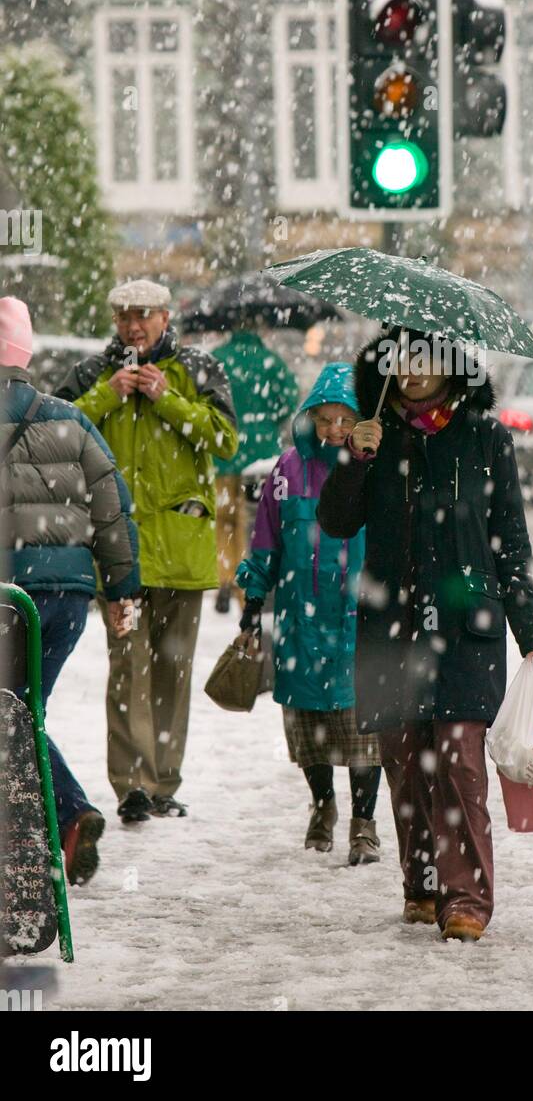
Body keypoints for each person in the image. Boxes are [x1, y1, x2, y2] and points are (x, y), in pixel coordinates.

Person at [317, 327, 533, 940]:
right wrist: (354, 456)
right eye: (402, 358)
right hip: (393, 623)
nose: (413, 370)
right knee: (404, 756)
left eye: (426, 357)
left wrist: (531, 625)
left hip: (465, 622)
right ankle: (422, 883)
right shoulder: (375, 436)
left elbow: (510, 538)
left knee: (459, 760)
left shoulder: (486, 438)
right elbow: (337, 522)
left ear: (452, 364)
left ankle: (466, 898)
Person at [56, 280, 238, 824]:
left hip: (181, 550)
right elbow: (59, 433)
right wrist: (107, 395)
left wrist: (170, 400)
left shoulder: (200, 370)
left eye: (143, 316)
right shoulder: (93, 375)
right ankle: (131, 786)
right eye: (123, 317)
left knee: (173, 672)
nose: (133, 326)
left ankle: (162, 782)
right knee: (125, 670)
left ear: (165, 316)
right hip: (121, 555)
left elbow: (227, 442)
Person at [0, 297, 140, 884]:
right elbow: (114, 509)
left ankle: (65, 816)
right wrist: (123, 589)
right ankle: (64, 821)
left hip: (9, 596)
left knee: (14, 717)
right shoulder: (71, 419)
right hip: (66, 599)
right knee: (22, 713)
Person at [236, 363, 381, 864]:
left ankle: (365, 823)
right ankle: (323, 806)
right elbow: (265, 545)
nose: (335, 428)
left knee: (364, 731)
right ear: (309, 419)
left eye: (346, 418)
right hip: (299, 622)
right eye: (325, 418)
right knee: (307, 731)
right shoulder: (287, 472)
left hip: (357, 621)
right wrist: (253, 602)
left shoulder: (374, 469)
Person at [210, 328, 298, 615]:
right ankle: (247, 584)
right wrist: (269, 420)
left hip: (223, 450)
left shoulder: (217, 359)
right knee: (254, 525)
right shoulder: (271, 361)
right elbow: (289, 399)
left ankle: (225, 577)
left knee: (224, 521)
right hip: (260, 457)